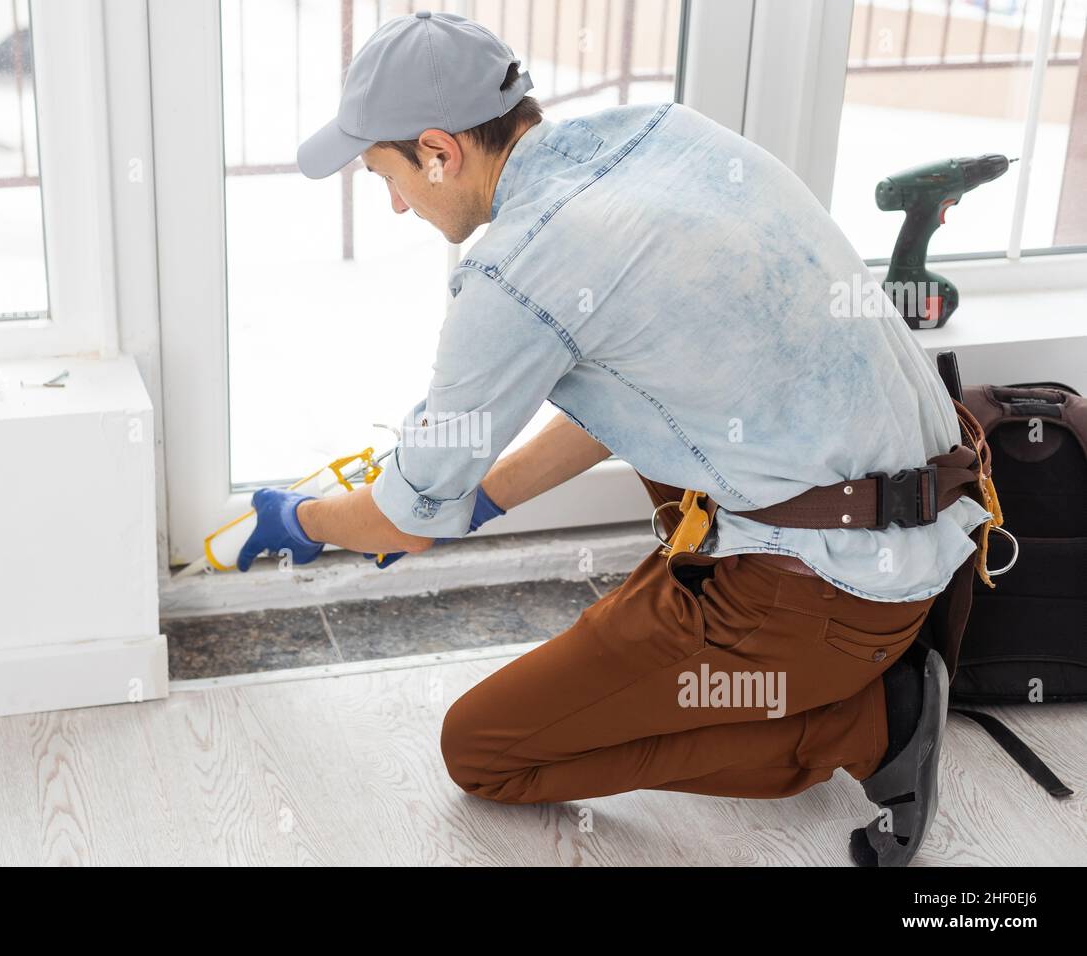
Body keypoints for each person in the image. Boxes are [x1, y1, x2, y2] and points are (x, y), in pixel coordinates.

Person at [236, 10, 991, 867]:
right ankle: (807, 680)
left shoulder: (515, 270)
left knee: (484, 750)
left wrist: (304, 520)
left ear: (439, 149)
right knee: (599, 673)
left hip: (827, 598)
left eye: (388, 175)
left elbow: (408, 516)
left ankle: (871, 724)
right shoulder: (664, 134)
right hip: (924, 532)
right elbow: (628, 394)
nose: (396, 203)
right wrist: (477, 498)